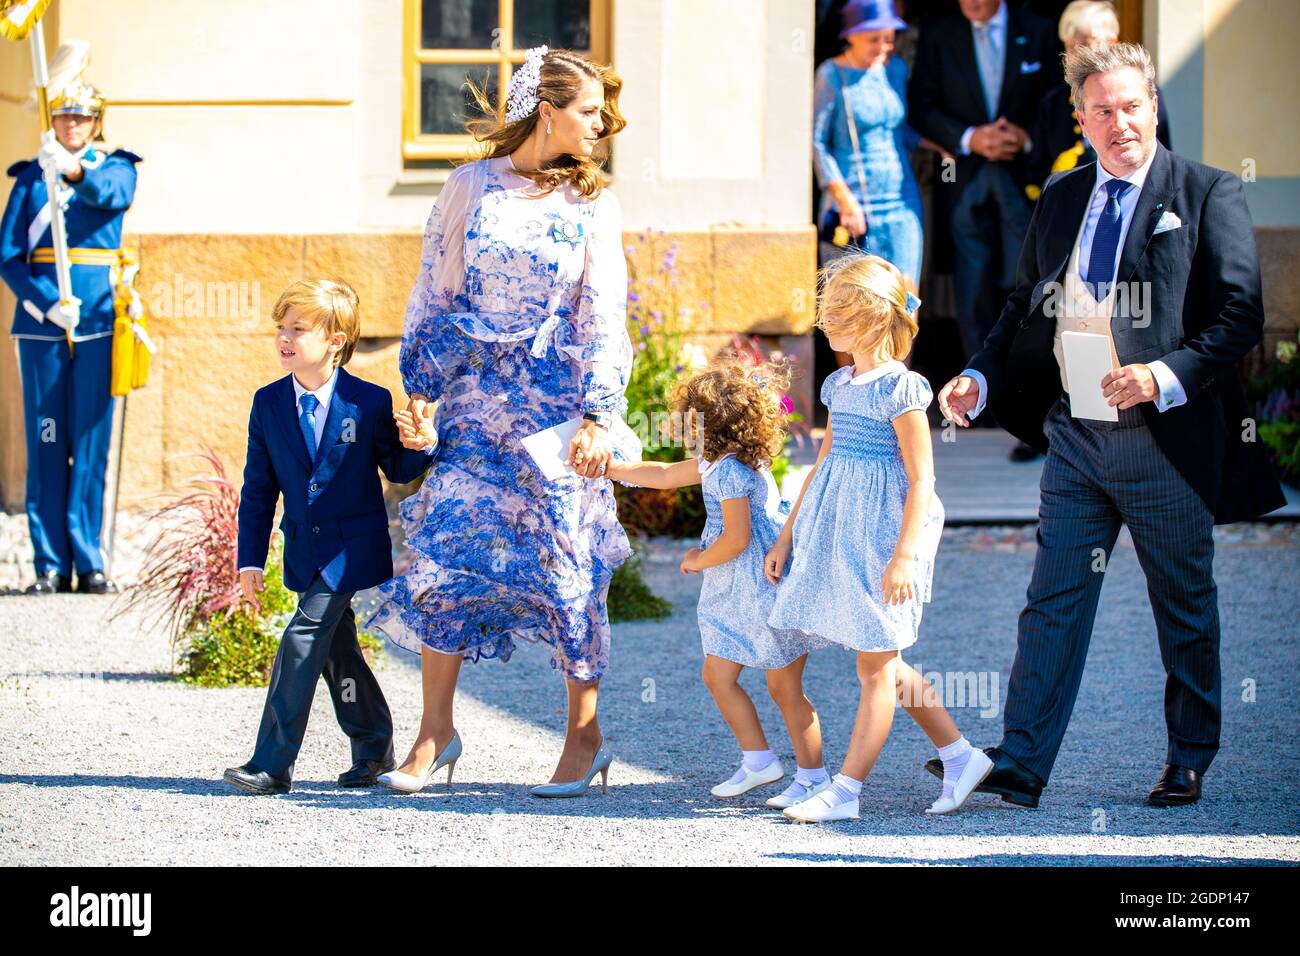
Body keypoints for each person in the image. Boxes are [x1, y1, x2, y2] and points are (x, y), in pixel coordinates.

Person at [935, 43, 1286, 809]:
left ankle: (1189, 755)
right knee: (1053, 597)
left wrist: (1160, 377)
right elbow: (1023, 304)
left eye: (1132, 106)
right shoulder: (1062, 197)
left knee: (1183, 605)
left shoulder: (1206, 192)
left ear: (1154, 108)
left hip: (1165, 440)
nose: (1120, 121)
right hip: (1075, 437)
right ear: (1082, 119)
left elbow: (1239, 316)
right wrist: (979, 375)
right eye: (1103, 110)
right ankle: (1022, 763)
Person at [365, 47, 638, 798]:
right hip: (474, 409)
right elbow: (435, 287)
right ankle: (435, 734)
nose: (601, 127)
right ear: (546, 111)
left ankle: (585, 740)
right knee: (443, 558)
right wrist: (420, 387)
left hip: (556, 418)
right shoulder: (468, 187)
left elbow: (606, 314)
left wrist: (599, 414)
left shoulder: (594, 203)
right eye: (590, 112)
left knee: (566, 570)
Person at [765, 255, 993, 822]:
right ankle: (961, 757)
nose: (828, 323)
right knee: (882, 661)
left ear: (874, 317)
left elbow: (922, 479)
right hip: (841, 531)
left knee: (875, 665)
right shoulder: (839, 382)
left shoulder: (904, 388)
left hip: (887, 536)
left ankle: (846, 791)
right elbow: (822, 462)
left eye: (842, 313)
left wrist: (904, 557)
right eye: (828, 312)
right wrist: (787, 535)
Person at [222, 280, 434, 796]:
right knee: (338, 652)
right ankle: (373, 747)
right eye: (281, 328)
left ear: (336, 339)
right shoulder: (268, 403)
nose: (285, 337)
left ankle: (272, 764)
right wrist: (249, 559)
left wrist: (423, 444)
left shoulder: (367, 401)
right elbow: (257, 490)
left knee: (301, 637)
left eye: (298, 328)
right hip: (304, 548)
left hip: (351, 549)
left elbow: (398, 468)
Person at [601, 361, 831, 809]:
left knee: (784, 688)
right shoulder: (722, 463)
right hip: (738, 593)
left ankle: (814, 777)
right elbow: (665, 475)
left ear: (711, 422)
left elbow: (738, 538)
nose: (683, 427)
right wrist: (614, 469)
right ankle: (759, 759)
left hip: (763, 587)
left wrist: (696, 560)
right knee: (718, 673)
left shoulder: (729, 472)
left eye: (690, 418)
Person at [0, 48, 141, 594]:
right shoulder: (31, 179)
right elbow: (9, 254)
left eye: (81, 117)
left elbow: (114, 196)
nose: (72, 124)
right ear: (52, 120)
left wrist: (75, 171)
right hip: (41, 327)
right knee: (47, 438)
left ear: (96, 122)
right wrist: (42, 302)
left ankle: (90, 560)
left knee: (89, 441)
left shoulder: (116, 166)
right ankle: (50, 563)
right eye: (63, 116)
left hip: (99, 322)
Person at [908, 0, 1059, 460]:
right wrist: (971, 137)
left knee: (1027, 287)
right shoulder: (940, 33)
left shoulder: (1039, 28)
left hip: (1023, 180)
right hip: (966, 179)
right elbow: (922, 106)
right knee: (972, 287)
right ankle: (980, 394)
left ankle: (1024, 394)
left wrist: (1026, 138)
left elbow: (1057, 97)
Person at [813, 0, 948, 286]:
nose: (884, 47)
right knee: (862, 303)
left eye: (889, 39)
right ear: (851, 35)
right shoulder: (831, 74)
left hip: (902, 201)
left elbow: (897, 129)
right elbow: (818, 143)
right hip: (856, 203)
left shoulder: (895, 69)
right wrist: (844, 200)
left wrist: (935, 145)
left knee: (906, 299)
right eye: (874, 39)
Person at [1028, 1, 1170, 191]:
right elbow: (1038, 171)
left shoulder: (1140, 93)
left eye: (1085, 46)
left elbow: (1158, 158)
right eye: (1070, 47)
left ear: (1111, 43)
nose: (1076, 55)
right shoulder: (1053, 103)